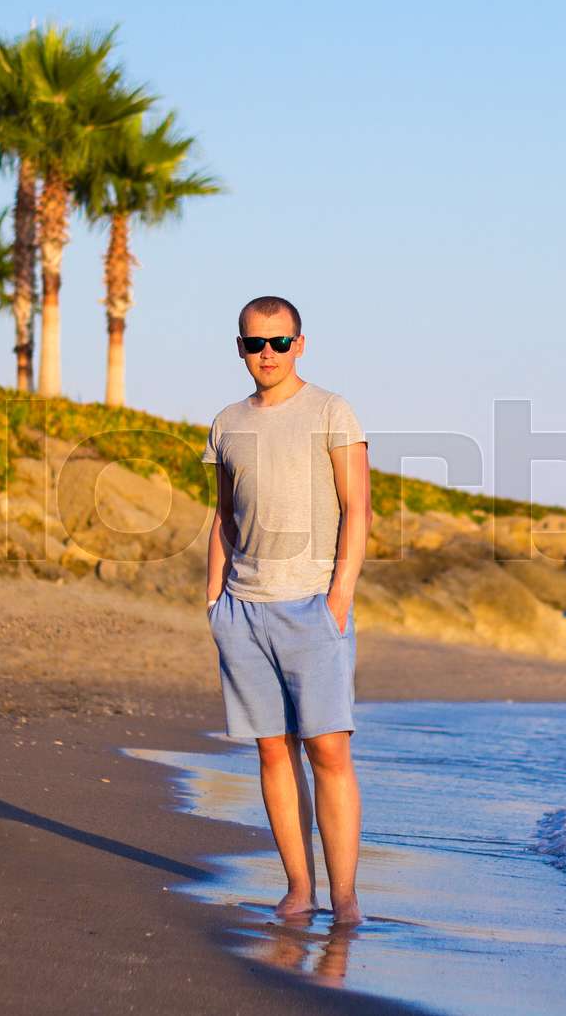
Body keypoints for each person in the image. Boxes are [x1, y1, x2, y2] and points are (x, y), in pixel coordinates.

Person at [201, 294, 371, 926]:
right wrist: (214, 597)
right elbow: (223, 514)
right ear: (240, 348)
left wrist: (339, 598)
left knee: (328, 752)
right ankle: (299, 889)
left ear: (300, 344)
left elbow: (358, 508)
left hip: (312, 608)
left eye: (278, 342)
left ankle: (346, 897)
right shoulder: (226, 422)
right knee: (273, 751)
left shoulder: (332, 411)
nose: (266, 354)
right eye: (254, 343)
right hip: (242, 611)